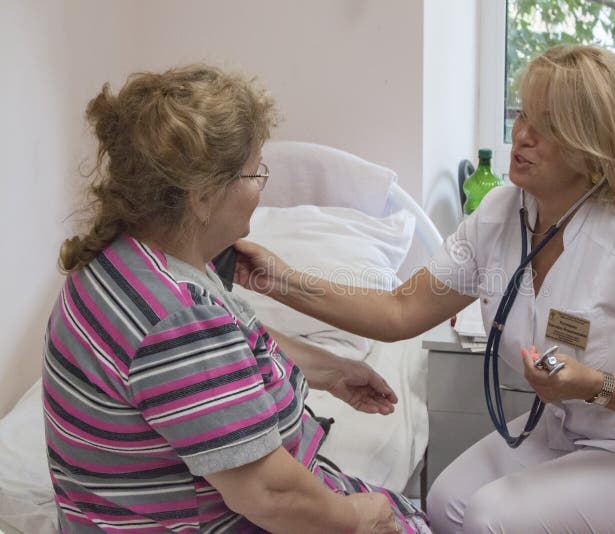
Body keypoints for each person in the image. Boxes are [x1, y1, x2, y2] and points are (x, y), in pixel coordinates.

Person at [232, 44, 615, 533]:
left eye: (548, 126)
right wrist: (277, 277)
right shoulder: (501, 214)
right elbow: (400, 309)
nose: (523, 134)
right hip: (576, 432)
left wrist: (593, 385)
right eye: (525, 114)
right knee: (446, 504)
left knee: (491, 518)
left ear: (596, 148)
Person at [44, 64, 430, 533]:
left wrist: (331, 370)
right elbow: (273, 496)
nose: (259, 188)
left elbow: (225, 360)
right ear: (202, 197)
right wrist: (366, 514)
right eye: (254, 173)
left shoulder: (119, 261)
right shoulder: (177, 319)